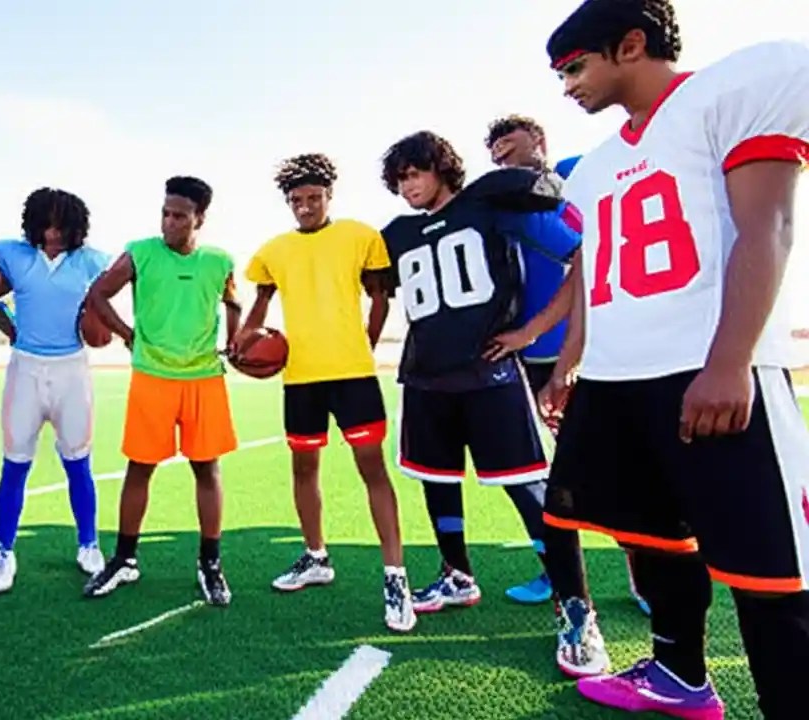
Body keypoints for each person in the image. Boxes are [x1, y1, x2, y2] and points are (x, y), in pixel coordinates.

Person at [541, 2, 809, 716]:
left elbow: (770, 225)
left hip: (710, 368)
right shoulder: (593, 170)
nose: (567, 86)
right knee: (652, 538)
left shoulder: (728, 92)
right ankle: (680, 677)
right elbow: (595, 285)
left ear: (631, 44)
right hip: (616, 379)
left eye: (575, 67)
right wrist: (575, 366)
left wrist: (730, 362)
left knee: (770, 573)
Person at [379, 130, 608, 678]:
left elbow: (582, 257)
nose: (408, 185)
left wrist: (530, 331)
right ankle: (457, 574)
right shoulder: (395, 234)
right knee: (435, 480)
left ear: (442, 168)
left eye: (416, 172)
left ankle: (576, 608)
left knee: (530, 488)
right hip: (427, 378)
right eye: (400, 178)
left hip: (489, 375)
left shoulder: (491, 203)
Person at [238, 152, 416, 633]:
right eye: (297, 200)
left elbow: (380, 297)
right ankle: (316, 557)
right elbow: (259, 307)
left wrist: (367, 344)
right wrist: (241, 346)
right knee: (303, 468)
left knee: (372, 470)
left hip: (353, 375)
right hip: (300, 378)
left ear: (329, 196)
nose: (305, 207)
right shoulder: (273, 250)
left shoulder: (360, 236)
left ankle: (395, 576)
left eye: (313, 198)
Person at [484, 114, 651, 615]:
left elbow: (588, 261)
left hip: (587, 348)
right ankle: (556, 570)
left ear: (539, 139)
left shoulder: (580, 174)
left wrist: (536, 331)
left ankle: (644, 574)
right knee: (557, 471)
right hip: (529, 360)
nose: (502, 161)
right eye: (495, 155)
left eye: (509, 148)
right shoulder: (501, 203)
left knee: (615, 466)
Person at [81, 176, 239, 606]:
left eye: (179, 216)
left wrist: (238, 341)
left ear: (199, 219)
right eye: (165, 213)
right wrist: (127, 334)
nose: (169, 222)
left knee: (207, 469)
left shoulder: (220, 261)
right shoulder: (140, 253)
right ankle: (124, 560)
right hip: (153, 376)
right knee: (140, 468)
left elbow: (233, 302)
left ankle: (210, 563)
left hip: (204, 377)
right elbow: (98, 294)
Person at [0, 187, 111, 594]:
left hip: (72, 370)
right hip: (25, 369)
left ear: (75, 226)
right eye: (45, 222)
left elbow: (103, 315)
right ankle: (4, 551)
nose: (52, 232)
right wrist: (11, 329)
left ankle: (88, 544)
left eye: (60, 224)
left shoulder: (93, 261)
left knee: (78, 463)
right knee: (15, 464)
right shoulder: (14, 254)